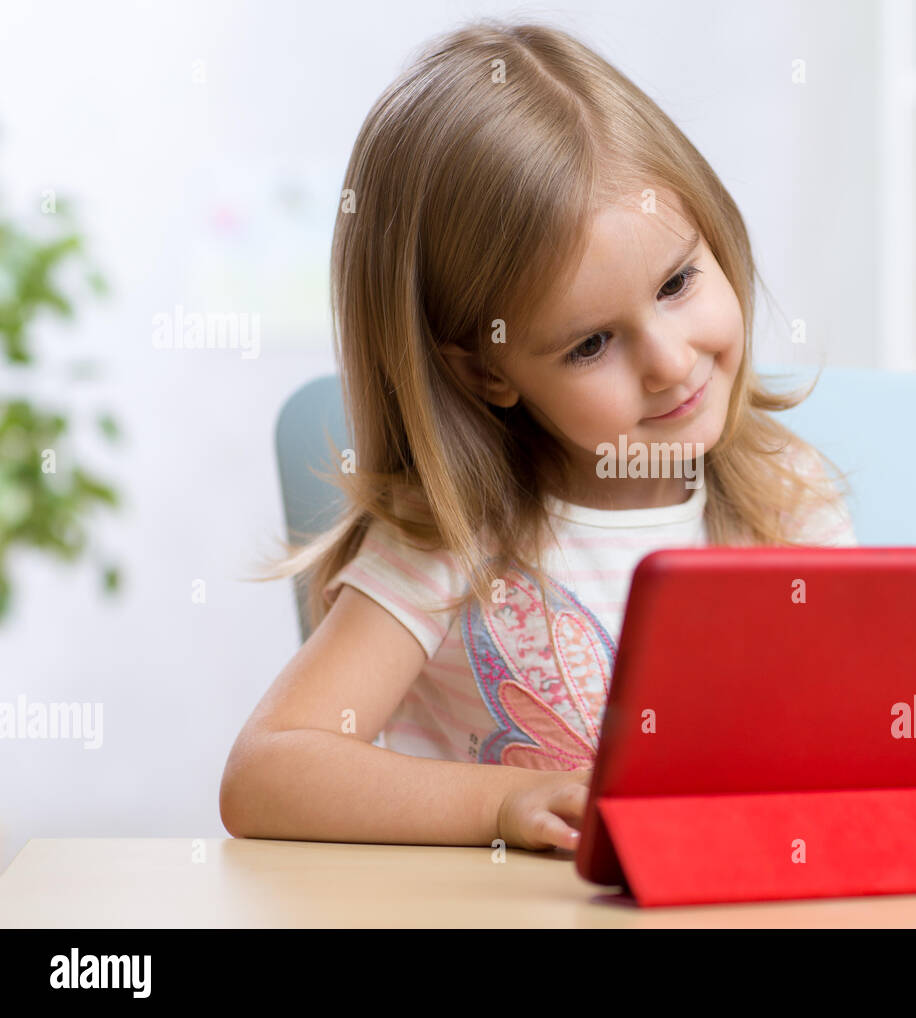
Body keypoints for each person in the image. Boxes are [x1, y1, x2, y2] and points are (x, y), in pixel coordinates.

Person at [220, 18, 855, 855]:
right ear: (487, 372)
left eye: (677, 282)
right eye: (591, 343)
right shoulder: (453, 539)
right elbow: (265, 771)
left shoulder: (790, 497)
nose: (669, 362)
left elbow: (855, 742)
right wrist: (503, 804)